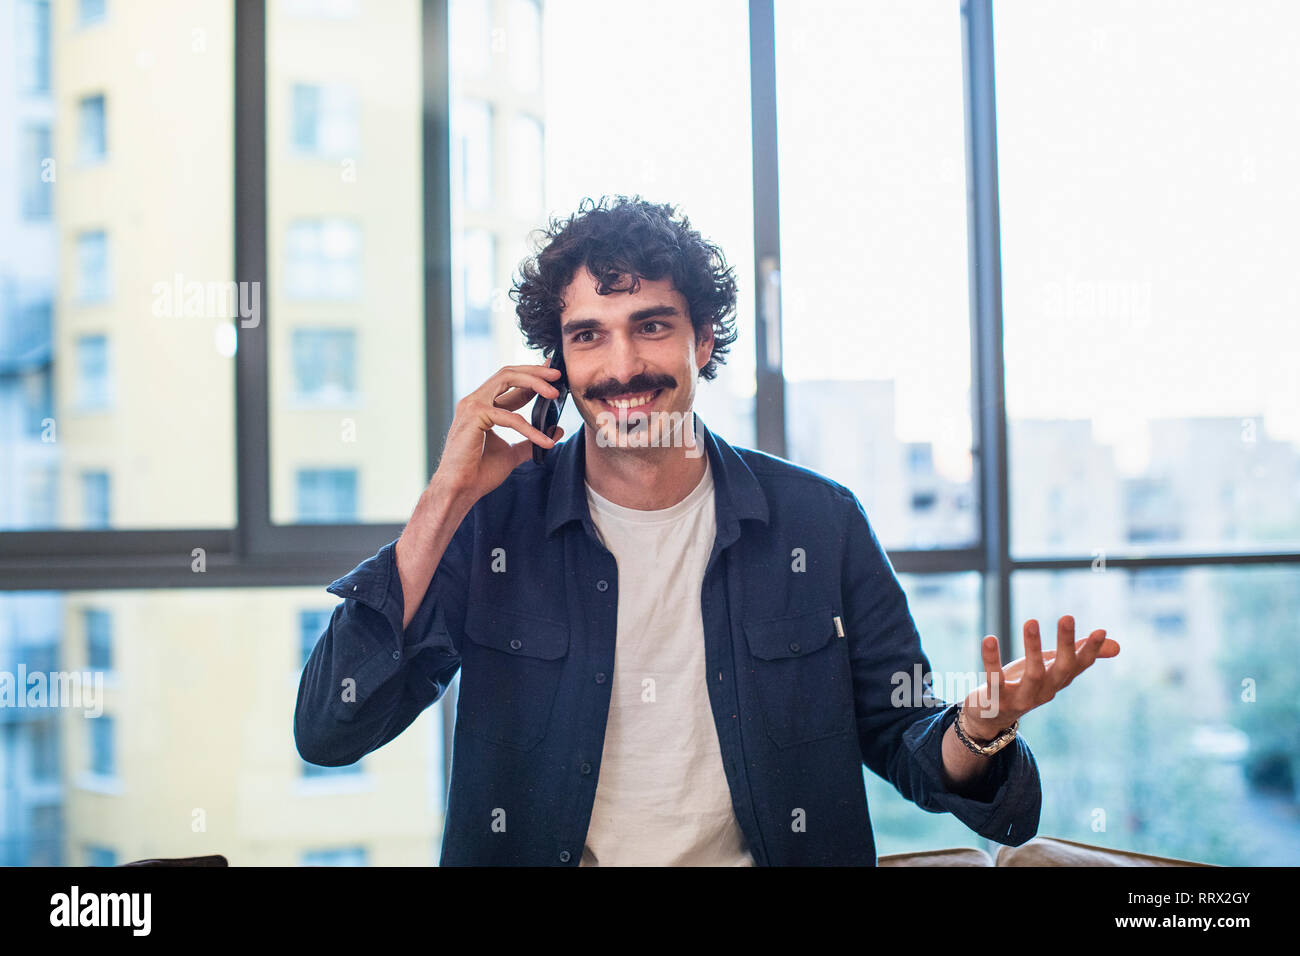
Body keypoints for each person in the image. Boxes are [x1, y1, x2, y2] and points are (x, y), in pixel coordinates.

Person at [293, 194, 1120, 866]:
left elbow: (907, 741)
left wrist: (981, 729)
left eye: (651, 326)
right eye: (589, 337)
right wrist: (446, 494)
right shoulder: (489, 527)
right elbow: (334, 727)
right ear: (558, 367)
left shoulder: (819, 522)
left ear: (705, 340)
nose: (621, 368)